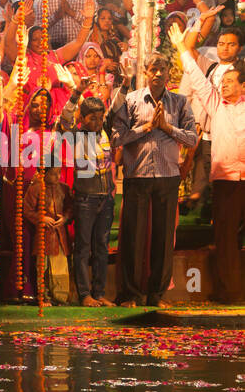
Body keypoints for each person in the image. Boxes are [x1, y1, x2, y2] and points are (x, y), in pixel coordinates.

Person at [112, 54, 198, 307]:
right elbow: (116, 138)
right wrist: (146, 128)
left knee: (163, 238)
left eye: (162, 69)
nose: (158, 74)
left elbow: (192, 139)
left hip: (168, 176)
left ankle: (156, 295)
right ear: (146, 73)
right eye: (153, 69)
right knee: (133, 238)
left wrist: (168, 128)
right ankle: (130, 294)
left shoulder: (180, 102)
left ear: (169, 73)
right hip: (137, 176)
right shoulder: (131, 100)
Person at [175, 23, 245, 303]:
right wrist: (182, 48)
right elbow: (196, 77)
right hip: (227, 181)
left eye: (229, 81)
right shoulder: (215, 104)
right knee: (226, 238)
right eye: (223, 82)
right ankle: (231, 292)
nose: (223, 84)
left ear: (242, 85)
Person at [63, 95, 118, 307]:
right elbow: (65, 120)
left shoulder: (105, 132)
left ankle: (99, 293)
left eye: (100, 118)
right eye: (92, 118)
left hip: (106, 199)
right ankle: (84, 294)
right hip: (85, 199)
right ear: (82, 118)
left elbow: (117, 107)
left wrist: (123, 85)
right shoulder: (76, 135)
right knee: (84, 247)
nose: (97, 122)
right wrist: (76, 93)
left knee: (101, 247)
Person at [25, 161, 73, 305]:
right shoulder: (35, 189)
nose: (57, 176)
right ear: (44, 173)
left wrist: (65, 218)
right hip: (43, 236)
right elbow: (27, 210)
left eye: (59, 172)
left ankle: (60, 298)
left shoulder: (64, 189)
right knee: (43, 266)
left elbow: (71, 208)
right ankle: (44, 297)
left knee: (60, 266)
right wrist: (41, 218)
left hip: (60, 235)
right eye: (53, 173)